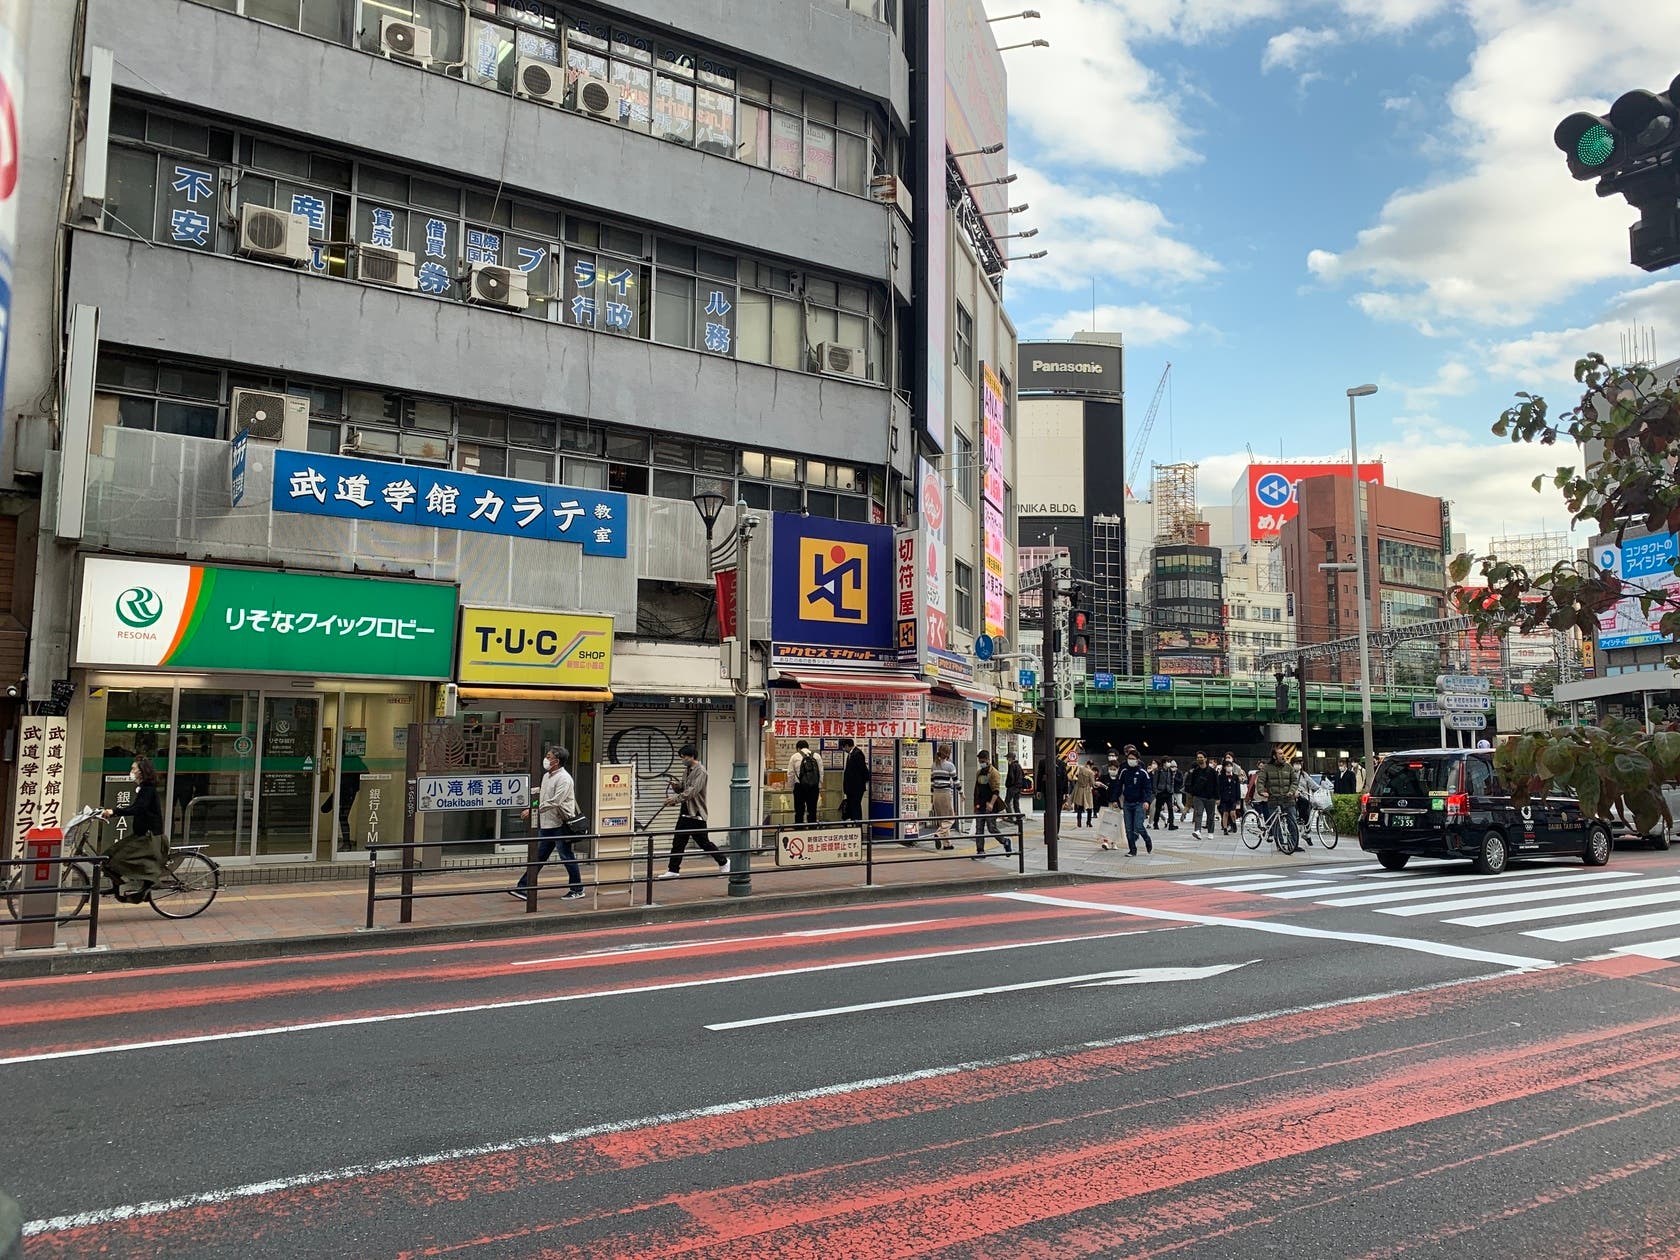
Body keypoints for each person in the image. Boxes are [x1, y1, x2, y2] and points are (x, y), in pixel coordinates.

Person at [511, 745, 585, 901]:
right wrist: (529, 791)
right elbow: (544, 792)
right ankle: (523, 887)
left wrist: (533, 810)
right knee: (538, 856)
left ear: (556, 761)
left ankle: (577, 889)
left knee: (566, 856)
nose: (546, 759)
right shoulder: (547, 776)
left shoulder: (564, 778)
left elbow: (555, 801)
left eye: (549, 757)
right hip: (546, 824)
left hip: (560, 824)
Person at [100, 756, 169, 902]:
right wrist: (112, 812)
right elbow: (135, 808)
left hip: (148, 837)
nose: (131, 771)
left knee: (117, 860)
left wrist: (114, 811)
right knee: (108, 857)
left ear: (142, 771)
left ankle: (147, 884)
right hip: (140, 834)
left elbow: (138, 808)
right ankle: (119, 886)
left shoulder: (148, 789)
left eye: (133, 769)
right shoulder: (143, 788)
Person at [659, 743, 728, 878]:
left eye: (683, 757)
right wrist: (676, 786)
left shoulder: (701, 771)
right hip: (685, 812)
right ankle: (673, 870)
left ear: (691, 756)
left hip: (695, 813)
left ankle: (724, 862)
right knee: (678, 842)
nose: (682, 760)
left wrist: (674, 799)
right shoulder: (688, 770)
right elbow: (684, 788)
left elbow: (692, 791)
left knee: (704, 843)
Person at [1254, 745, 1301, 853]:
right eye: (1280, 753)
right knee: (1276, 825)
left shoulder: (1288, 767)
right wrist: (1262, 791)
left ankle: (1293, 844)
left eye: (1283, 753)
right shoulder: (1267, 768)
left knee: (1292, 822)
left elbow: (1294, 781)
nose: (1282, 755)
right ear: (1274, 756)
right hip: (1273, 799)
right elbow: (1260, 781)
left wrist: (1291, 791)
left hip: (1288, 799)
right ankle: (1280, 844)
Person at [971, 749, 1011, 857]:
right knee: (978, 829)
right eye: (980, 761)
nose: (982, 763)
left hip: (990, 805)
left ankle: (1005, 841)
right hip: (980, 804)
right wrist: (975, 804)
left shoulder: (994, 773)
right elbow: (976, 790)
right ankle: (980, 851)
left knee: (991, 828)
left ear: (988, 759)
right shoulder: (979, 773)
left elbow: (996, 791)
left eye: (983, 761)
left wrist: (991, 804)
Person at [1116, 748, 1153, 855]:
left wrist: (1146, 801)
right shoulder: (1124, 771)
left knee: (1138, 826)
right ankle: (1132, 849)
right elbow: (1118, 786)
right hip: (1127, 803)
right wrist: (1115, 799)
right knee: (1128, 829)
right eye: (1129, 758)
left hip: (1139, 803)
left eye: (1133, 758)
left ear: (1137, 760)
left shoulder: (1142, 773)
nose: (1130, 760)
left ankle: (1147, 839)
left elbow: (1148, 789)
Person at [929, 743, 959, 848]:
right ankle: (939, 834)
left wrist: (932, 796)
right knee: (951, 818)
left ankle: (947, 844)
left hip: (936, 794)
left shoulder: (933, 765)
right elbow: (956, 780)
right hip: (945, 793)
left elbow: (932, 782)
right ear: (948, 753)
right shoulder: (950, 765)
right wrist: (961, 792)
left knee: (943, 819)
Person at [788, 738, 822, 825]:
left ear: (798, 748)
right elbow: (821, 772)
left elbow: (790, 774)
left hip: (799, 787)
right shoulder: (817, 756)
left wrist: (792, 787)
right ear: (808, 747)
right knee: (812, 810)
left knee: (799, 811)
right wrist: (818, 786)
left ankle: (799, 831)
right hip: (814, 787)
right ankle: (812, 830)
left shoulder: (795, 757)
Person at [1187, 752, 1219, 838]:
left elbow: (1216, 785)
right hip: (1198, 796)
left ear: (1205, 759)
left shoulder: (1212, 772)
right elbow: (1192, 783)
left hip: (1210, 796)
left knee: (1210, 815)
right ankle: (1197, 830)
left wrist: (1217, 797)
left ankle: (1210, 832)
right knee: (1198, 813)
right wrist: (1193, 792)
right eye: (1197, 757)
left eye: (1201, 757)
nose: (1199, 759)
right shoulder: (1195, 771)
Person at [839, 737, 871, 822]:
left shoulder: (857, 754)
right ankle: (854, 824)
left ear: (847, 745)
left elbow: (862, 770)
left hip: (856, 788)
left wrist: (863, 782)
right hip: (852, 788)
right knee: (853, 807)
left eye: (843, 747)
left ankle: (857, 825)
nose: (843, 749)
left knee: (855, 807)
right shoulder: (851, 754)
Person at [1218, 753, 1245, 835]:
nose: (1229, 767)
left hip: (1233, 798)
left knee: (1233, 813)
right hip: (1224, 798)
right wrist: (1218, 798)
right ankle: (1225, 828)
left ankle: (1234, 824)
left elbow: (1237, 788)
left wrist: (1238, 799)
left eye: (1230, 766)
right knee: (1225, 813)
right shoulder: (1221, 777)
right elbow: (1219, 788)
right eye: (1227, 766)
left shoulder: (1235, 777)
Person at [1150, 759, 1177, 830]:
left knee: (1170, 808)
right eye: (1167, 762)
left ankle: (1171, 824)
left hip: (1168, 792)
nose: (1169, 763)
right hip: (1160, 792)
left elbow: (1172, 781)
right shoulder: (1158, 771)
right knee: (1158, 809)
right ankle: (1155, 823)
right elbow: (1155, 781)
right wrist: (1156, 791)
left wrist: (1171, 790)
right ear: (1164, 763)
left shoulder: (1170, 771)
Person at [1070, 758, 1096, 827]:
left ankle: (1079, 821)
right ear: (1092, 766)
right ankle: (1088, 822)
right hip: (1087, 791)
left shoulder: (1080, 768)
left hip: (1080, 790)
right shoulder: (1091, 773)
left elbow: (1076, 776)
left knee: (1080, 807)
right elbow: (1093, 784)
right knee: (1090, 807)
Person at [1004, 751, 1025, 820]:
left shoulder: (1012, 765)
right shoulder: (1019, 765)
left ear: (1010, 758)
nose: (1007, 760)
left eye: (1007, 758)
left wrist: (1008, 784)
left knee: (1007, 802)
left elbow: (1011, 777)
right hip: (1019, 787)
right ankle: (1019, 818)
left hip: (1012, 787)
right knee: (1016, 802)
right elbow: (1023, 775)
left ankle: (1010, 817)